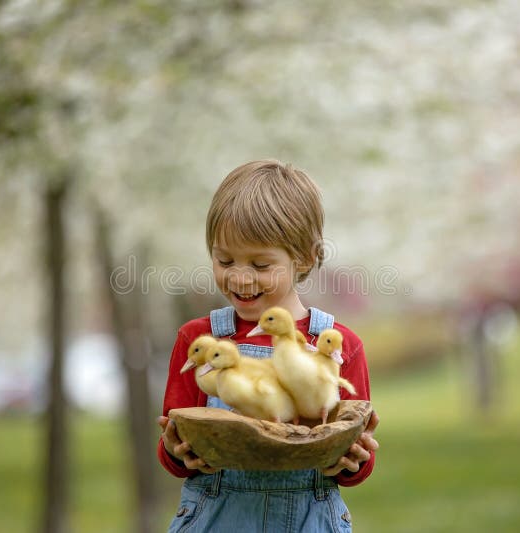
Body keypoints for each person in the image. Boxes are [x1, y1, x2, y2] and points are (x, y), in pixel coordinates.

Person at [157, 159, 379, 532]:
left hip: (309, 519)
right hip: (218, 518)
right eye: (224, 259)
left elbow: (354, 461)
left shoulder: (336, 345)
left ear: (305, 257)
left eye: (260, 265)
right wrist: (180, 453)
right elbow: (174, 442)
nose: (240, 277)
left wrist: (353, 459)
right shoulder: (199, 340)